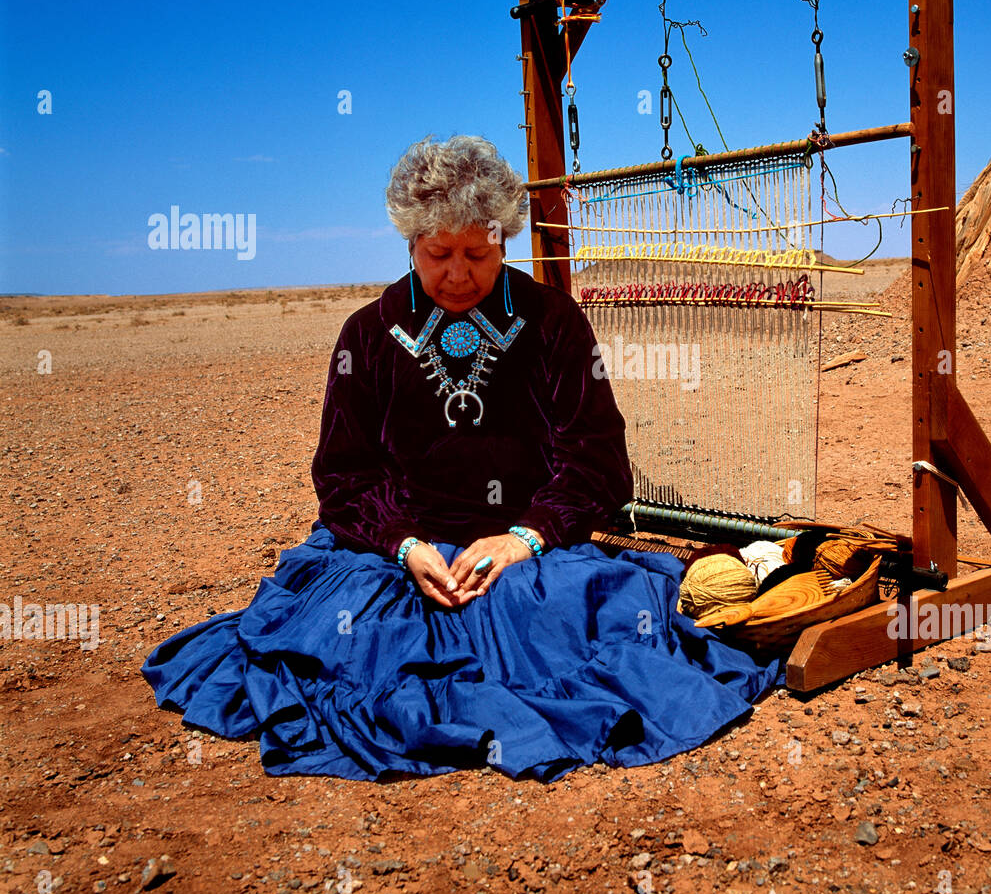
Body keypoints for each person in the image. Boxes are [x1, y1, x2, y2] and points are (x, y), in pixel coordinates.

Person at [142, 135, 784, 781]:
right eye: (437, 254)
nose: (457, 274)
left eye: (477, 254)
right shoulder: (366, 334)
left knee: (554, 631)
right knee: (356, 648)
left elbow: (595, 458)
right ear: (408, 243)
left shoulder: (552, 322)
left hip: (525, 554)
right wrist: (404, 546)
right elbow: (344, 475)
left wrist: (523, 538)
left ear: (503, 239)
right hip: (393, 558)